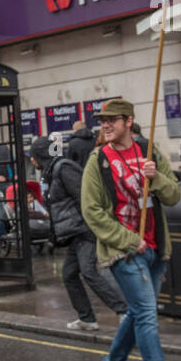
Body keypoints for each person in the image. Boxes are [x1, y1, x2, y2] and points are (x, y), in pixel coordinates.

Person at [81, 98, 181, 361]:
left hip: (156, 248)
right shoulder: (98, 160)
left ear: (129, 121)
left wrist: (155, 177)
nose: (106, 125)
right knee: (145, 315)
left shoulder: (150, 153)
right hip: (124, 251)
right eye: (103, 120)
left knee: (137, 313)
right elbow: (92, 212)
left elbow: (173, 196)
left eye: (112, 119)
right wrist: (129, 240)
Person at [31, 136, 127, 332]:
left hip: (85, 228)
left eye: (33, 157)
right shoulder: (52, 172)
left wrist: (92, 226)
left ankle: (124, 311)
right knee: (69, 274)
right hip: (75, 231)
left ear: (40, 156)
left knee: (88, 271)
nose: (32, 161)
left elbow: (84, 197)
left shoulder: (63, 168)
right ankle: (87, 319)